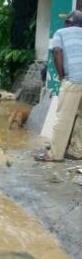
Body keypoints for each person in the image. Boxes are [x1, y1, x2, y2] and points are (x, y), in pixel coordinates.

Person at [37, 10, 82, 162]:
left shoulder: (61, 33)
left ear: (68, 22)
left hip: (73, 80)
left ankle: (55, 154)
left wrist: (61, 76)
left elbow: (57, 52)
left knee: (63, 118)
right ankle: (77, 151)